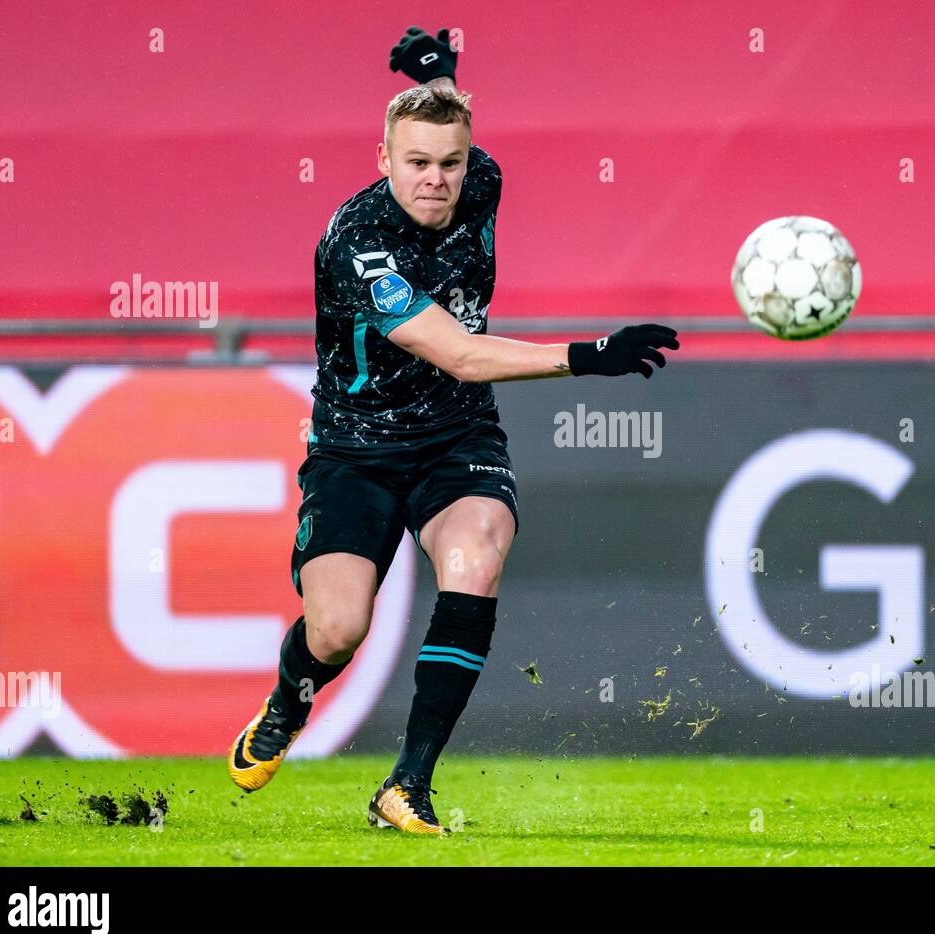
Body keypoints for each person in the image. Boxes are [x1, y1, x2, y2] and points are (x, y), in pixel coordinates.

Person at [227, 26, 679, 835]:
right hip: (354, 451)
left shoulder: (483, 180)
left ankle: (408, 783)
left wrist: (443, 79)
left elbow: (449, 128)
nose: (436, 180)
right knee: (338, 628)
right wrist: (592, 355)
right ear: (382, 160)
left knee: (476, 559)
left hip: (457, 440)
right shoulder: (357, 244)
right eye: (416, 162)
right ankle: (289, 703)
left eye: (451, 162)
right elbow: (464, 355)